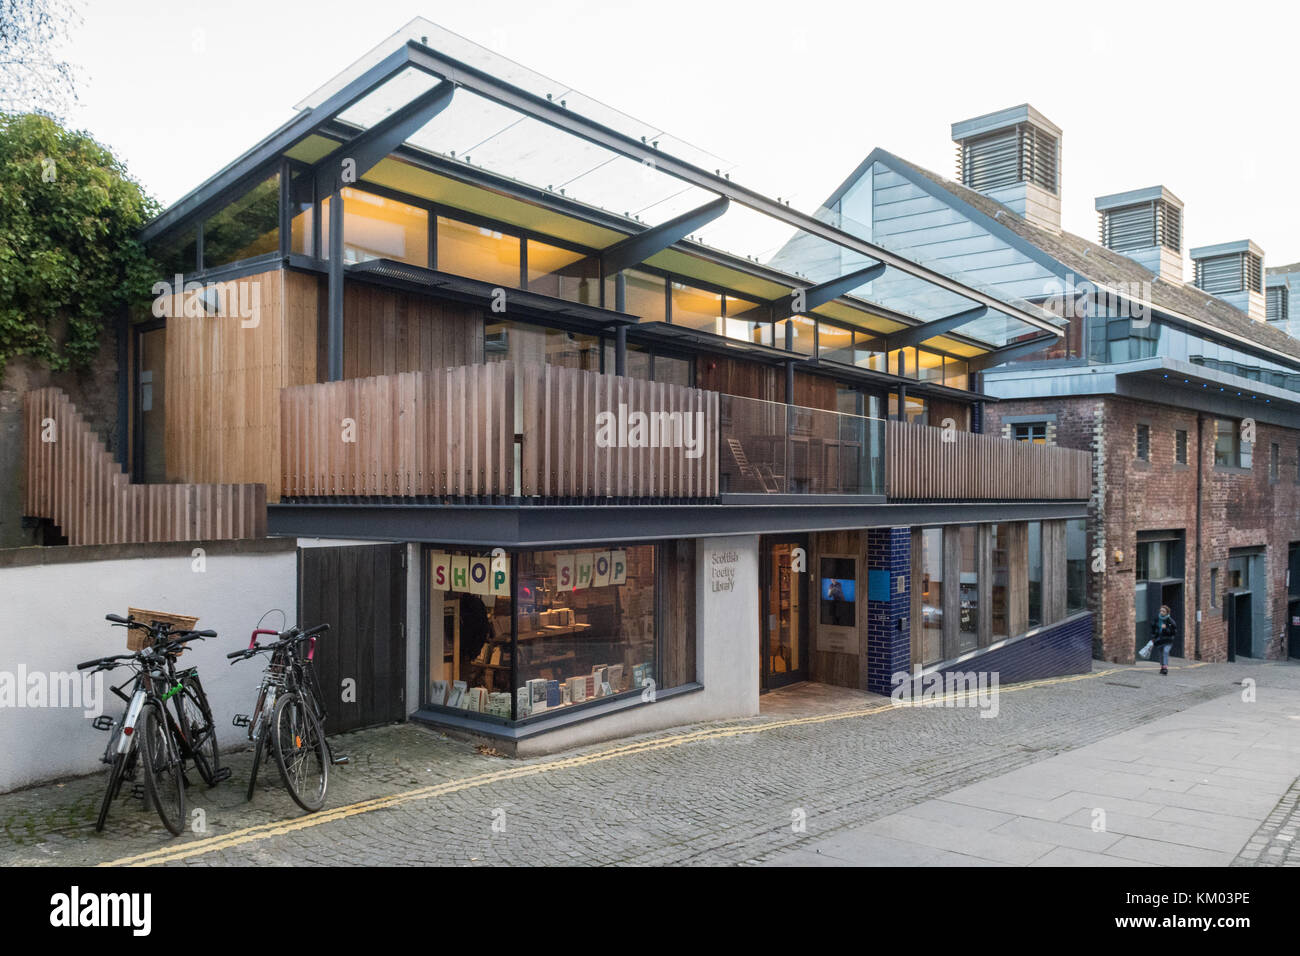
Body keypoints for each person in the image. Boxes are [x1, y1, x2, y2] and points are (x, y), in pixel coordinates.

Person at [1151, 605, 1176, 676]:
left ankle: (1165, 667)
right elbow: (1153, 628)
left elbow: (1174, 632)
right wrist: (1153, 637)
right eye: (1161, 611)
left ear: (1167, 613)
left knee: (1165, 651)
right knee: (1160, 654)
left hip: (1168, 640)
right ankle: (1162, 667)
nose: (1161, 612)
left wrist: (1166, 629)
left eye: (1163, 611)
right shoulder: (1157, 619)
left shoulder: (1170, 621)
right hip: (1159, 640)